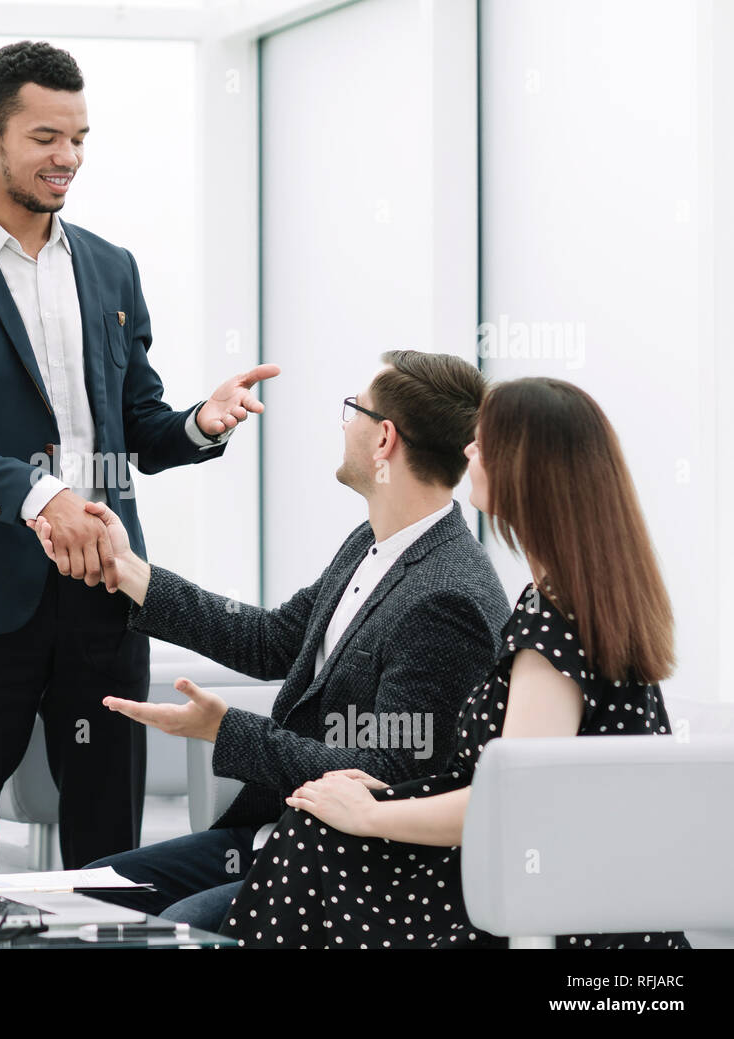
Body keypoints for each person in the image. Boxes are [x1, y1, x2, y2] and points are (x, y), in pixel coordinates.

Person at [0, 40, 279, 873]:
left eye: (81, 138)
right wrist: (40, 495)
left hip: (107, 597)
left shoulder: (111, 270)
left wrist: (202, 421)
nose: (67, 158)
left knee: (110, 855)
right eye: (46, 138)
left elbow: (139, 428)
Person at [29, 350, 510, 929]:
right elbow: (270, 640)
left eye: (351, 410)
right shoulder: (371, 543)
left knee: (178, 923)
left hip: (360, 867)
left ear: (384, 439)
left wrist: (226, 730)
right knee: (83, 894)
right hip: (279, 836)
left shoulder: (446, 597)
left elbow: (391, 772)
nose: (343, 424)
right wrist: (132, 572)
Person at [218, 376, 690, 948]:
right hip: (545, 877)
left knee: (315, 844)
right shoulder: (580, 603)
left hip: (558, 908)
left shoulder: (553, 625)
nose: (469, 451)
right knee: (313, 835)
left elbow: (516, 802)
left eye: (484, 444)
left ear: (526, 471)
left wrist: (370, 814)